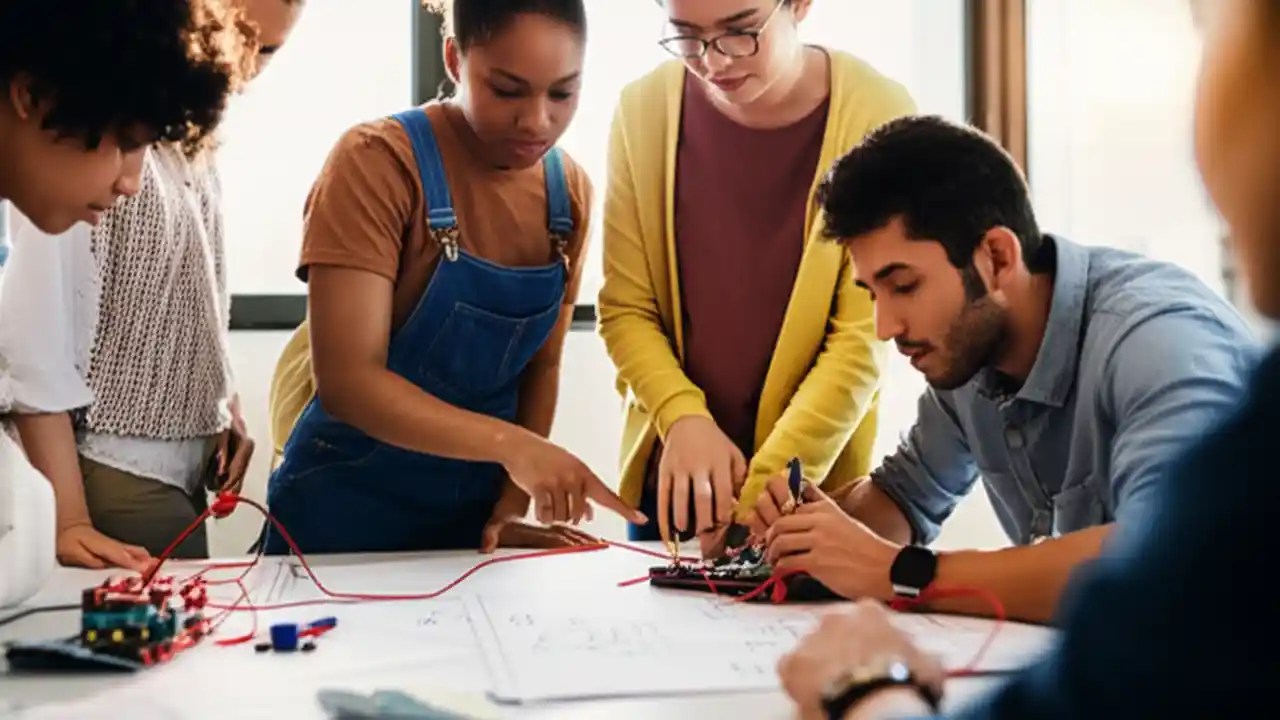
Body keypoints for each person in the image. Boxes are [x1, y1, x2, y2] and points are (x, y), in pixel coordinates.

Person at [776, 0, 1280, 717]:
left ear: (996, 256)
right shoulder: (966, 356)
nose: (885, 326)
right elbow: (904, 498)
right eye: (871, 292)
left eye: (904, 286)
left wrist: (902, 574)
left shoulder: (1156, 338)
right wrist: (820, 533)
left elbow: (1158, 558)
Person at [263, 0, 645, 556]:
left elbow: (542, 367)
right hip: (337, 527)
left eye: (562, 93)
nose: (537, 120)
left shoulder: (571, 196)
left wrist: (509, 510)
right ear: (454, 58)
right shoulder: (377, 163)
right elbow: (348, 383)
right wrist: (513, 447)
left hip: (469, 537)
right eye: (508, 90)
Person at [597, 0, 915, 555]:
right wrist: (681, 417)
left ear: (799, 5)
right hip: (678, 485)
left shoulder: (879, 112)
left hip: (803, 492)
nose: (715, 62)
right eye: (686, 36)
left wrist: (760, 496)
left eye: (741, 32)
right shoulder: (641, 110)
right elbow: (627, 308)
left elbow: (859, 340)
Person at [0, 0, 304, 573]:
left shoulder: (179, 146)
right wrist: (68, 517)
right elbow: (30, 353)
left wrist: (221, 404)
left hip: (176, 465)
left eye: (268, 50)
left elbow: (190, 300)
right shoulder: (65, 164)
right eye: (123, 142)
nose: (132, 180)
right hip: (111, 461)